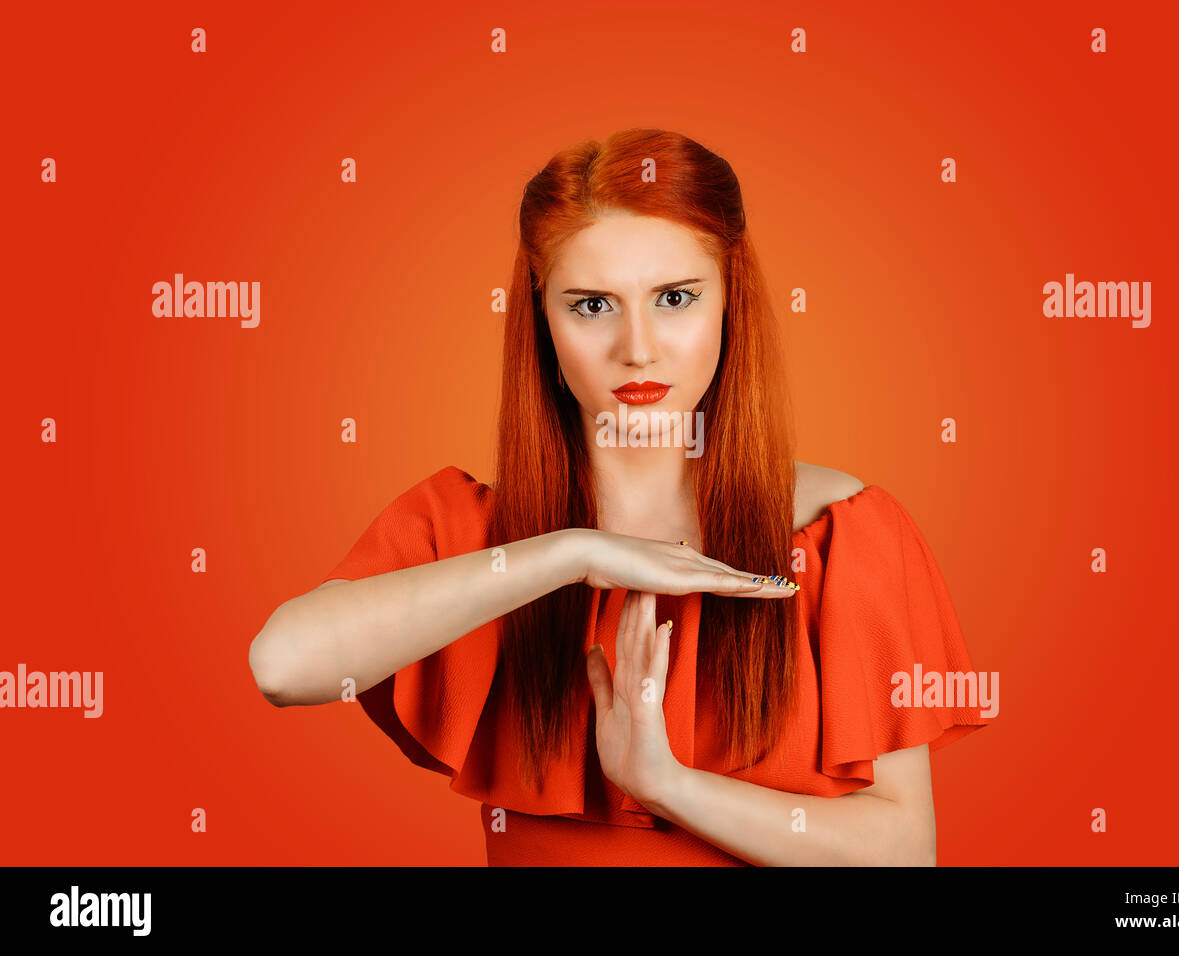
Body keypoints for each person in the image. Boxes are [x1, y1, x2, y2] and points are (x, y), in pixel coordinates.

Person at [248, 128, 991, 866]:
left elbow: (902, 855)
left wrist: (663, 785)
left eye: (674, 297)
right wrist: (573, 552)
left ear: (732, 300)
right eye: (592, 305)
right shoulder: (474, 534)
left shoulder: (844, 533)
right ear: (541, 317)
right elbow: (283, 666)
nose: (638, 347)